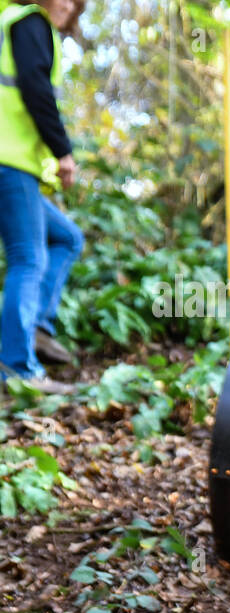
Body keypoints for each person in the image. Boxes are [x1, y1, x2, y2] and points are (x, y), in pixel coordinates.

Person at [0, 0, 84, 395]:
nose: (68, 5)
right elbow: (35, 89)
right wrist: (62, 150)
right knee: (28, 258)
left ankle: (36, 329)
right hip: (8, 161)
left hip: (17, 166)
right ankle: (18, 367)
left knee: (67, 237)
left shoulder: (20, 26)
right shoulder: (29, 23)